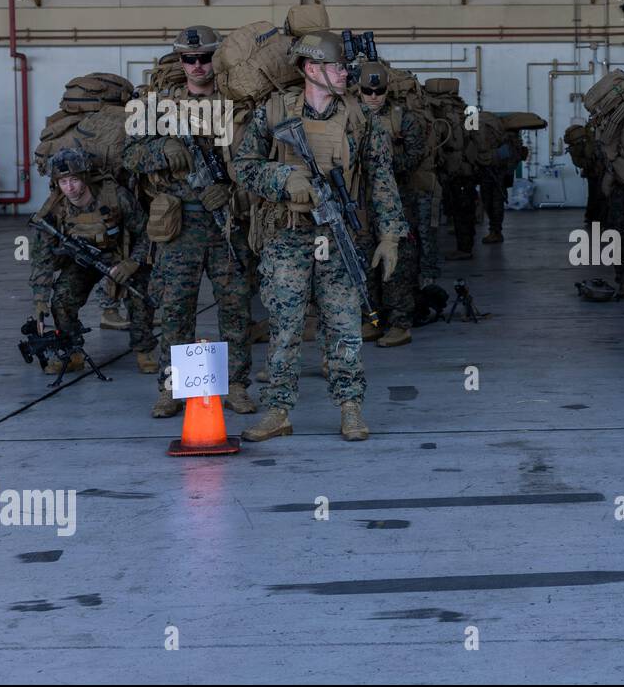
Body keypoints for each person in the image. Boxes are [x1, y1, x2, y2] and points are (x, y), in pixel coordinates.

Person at [234, 31, 407, 442]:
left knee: (345, 324)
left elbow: (382, 180)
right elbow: (242, 166)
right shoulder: (274, 113)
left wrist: (390, 236)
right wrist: (283, 177)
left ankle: (350, 408)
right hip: (287, 235)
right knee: (286, 326)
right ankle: (277, 410)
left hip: (339, 233)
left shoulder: (361, 117)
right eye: (336, 67)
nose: (346, 73)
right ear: (312, 69)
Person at [122, 25, 256, 418]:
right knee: (174, 309)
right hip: (179, 225)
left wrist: (234, 195)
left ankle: (237, 385)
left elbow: (258, 160)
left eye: (205, 58)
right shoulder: (160, 107)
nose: (197, 66)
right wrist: (161, 148)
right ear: (179, 61)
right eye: (189, 59)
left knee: (236, 308)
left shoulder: (238, 105)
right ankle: (171, 387)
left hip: (227, 222)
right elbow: (130, 155)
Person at [29, 148, 157, 375]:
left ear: (85, 177)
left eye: (75, 180)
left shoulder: (115, 196)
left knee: (139, 294)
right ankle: (73, 353)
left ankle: (144, 350)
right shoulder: (54, 209)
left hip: (118, 255)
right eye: (63, 182)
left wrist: (133, 263)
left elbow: (147, 233)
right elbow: (43, 257)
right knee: (62, 299)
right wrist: (40, 300)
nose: (69, 188)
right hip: (80, 261)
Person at [356, 61, 428, 347]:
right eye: (367, 91)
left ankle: (400, 324)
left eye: (379, 90)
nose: (373, 96)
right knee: (363, 263)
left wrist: (379, 163)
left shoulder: (403, 119)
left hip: (397, 200)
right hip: (360, 204)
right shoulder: (350, 119)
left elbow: (415, 156)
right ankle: (372, 320)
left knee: (397, 265)